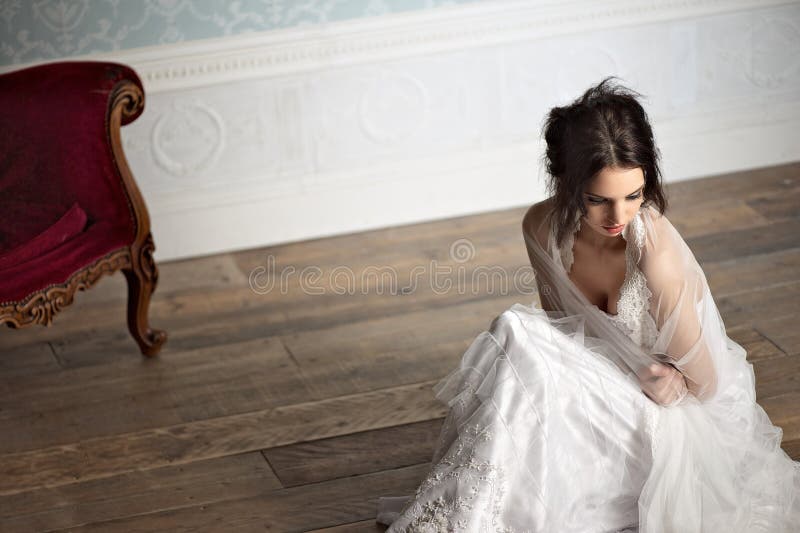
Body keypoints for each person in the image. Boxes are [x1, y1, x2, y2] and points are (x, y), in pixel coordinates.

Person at [375, 78, 800, 532]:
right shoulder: (540, 226)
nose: (618, 217)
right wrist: (602, 376)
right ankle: (473, 511)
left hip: (664, 413)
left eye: (633, 196)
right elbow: (561, 335)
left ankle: (470, 517)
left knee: (518, 334)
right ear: (568, 183)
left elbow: (706, 384)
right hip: (599, 385)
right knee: (518, 337)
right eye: (598, 200)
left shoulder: (653, 254)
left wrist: (663, 377)